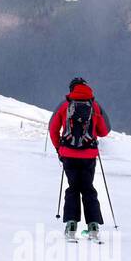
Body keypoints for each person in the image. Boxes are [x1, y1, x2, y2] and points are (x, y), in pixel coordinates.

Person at [47, 77, 111, 240]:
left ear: (71, 89)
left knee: (73, 188)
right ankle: (93, 227)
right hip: (89, 155)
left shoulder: (64, 105)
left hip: (68, 154)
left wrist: (59, 149)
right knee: (88, 188)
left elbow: (52, 128)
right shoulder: (94, 106)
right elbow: (104, 131)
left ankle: (71, 226)